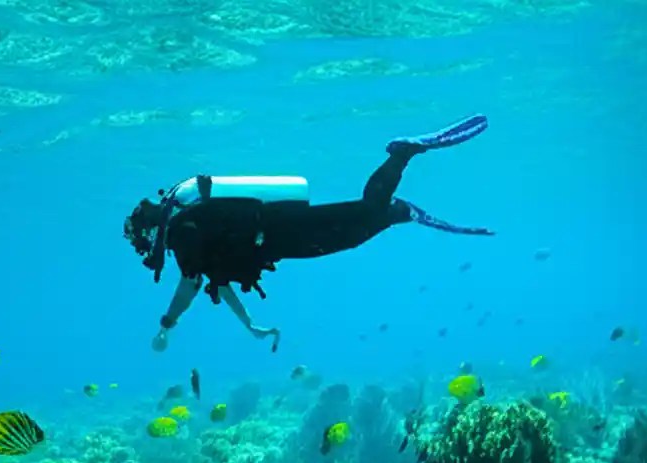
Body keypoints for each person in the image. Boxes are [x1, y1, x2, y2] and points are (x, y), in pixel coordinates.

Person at [123, 114, 495, 353]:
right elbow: (217, 278)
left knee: (360, 221)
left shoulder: (182, 232)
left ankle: (401, 160)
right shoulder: (190, 225)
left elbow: (190, 284)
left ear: (151, 229)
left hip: (283, 233)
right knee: (357, 224)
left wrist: (167, 324)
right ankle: (398, 208)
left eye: (142, 241)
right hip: (280, 231)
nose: (147, 249)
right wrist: (250, 326)